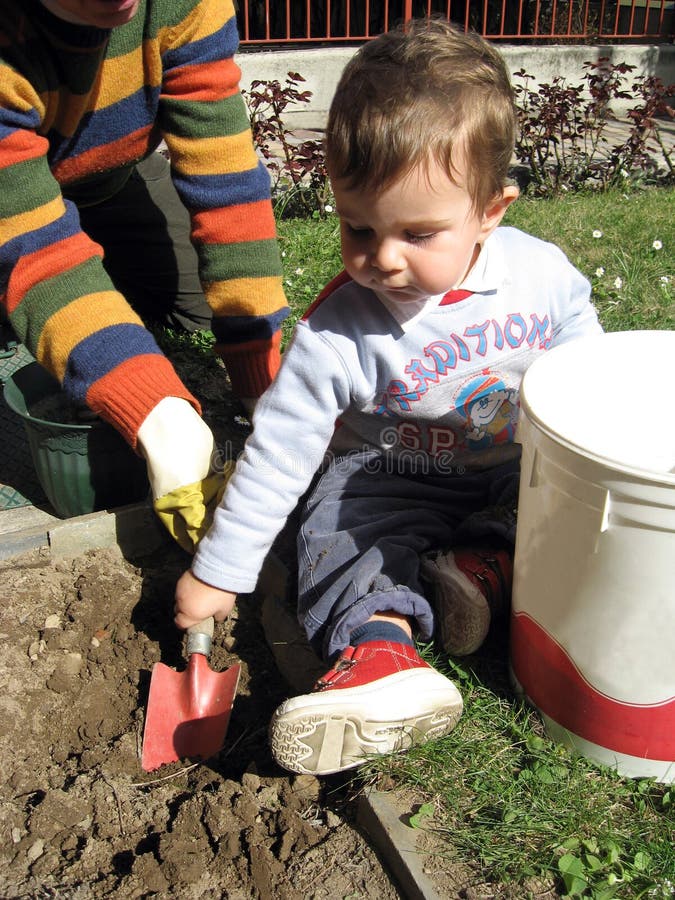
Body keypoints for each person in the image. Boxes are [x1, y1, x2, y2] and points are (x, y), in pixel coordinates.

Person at [174, 19, 603, 775]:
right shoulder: (342, 332)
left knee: (566, 516)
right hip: (387, 472)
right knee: (338, 531)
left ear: (491, 211)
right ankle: (381, 656)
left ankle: (479, 570)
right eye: (357, 227)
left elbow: (580, 355)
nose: (380, 259)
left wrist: (590, 427)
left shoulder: (541, 275)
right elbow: (279, 454)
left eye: (417, 232)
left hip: (513, 471)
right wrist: (219, 573)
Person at [0, 0, 288, 550]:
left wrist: (259, 376)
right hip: (13, 195)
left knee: (197, 309)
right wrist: (158, 414)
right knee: (32, 291)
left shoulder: (183, 4)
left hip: (105, 178)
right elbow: (36, 250)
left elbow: (226, 184)